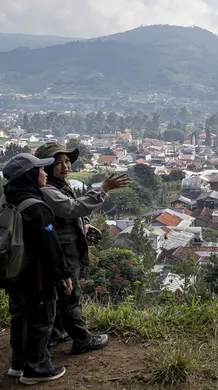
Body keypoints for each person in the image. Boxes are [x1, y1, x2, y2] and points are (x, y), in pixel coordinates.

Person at [34, 142, 130, 354]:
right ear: (47, 166)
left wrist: (83, 224)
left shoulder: (59, 184)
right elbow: (71, 207)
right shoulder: (47, 189)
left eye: (67, 161)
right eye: (58, 163)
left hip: (64, 247)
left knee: (60, 293)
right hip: (62, 252)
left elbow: (70, 211)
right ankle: (82, 339)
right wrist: (103, 189)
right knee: (70, 295)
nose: (65, 166)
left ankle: (57, 332)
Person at [0, 153, 75, 385]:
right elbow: (50, 246)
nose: (45, 173)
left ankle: (18, 363)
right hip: (36, 277)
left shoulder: (4, 199)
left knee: (19, 318)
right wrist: (64, 274)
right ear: (29, 175)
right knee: (40, 321)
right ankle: (36, 369)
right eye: (40, 170)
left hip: (12, 274)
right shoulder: (36, 207)